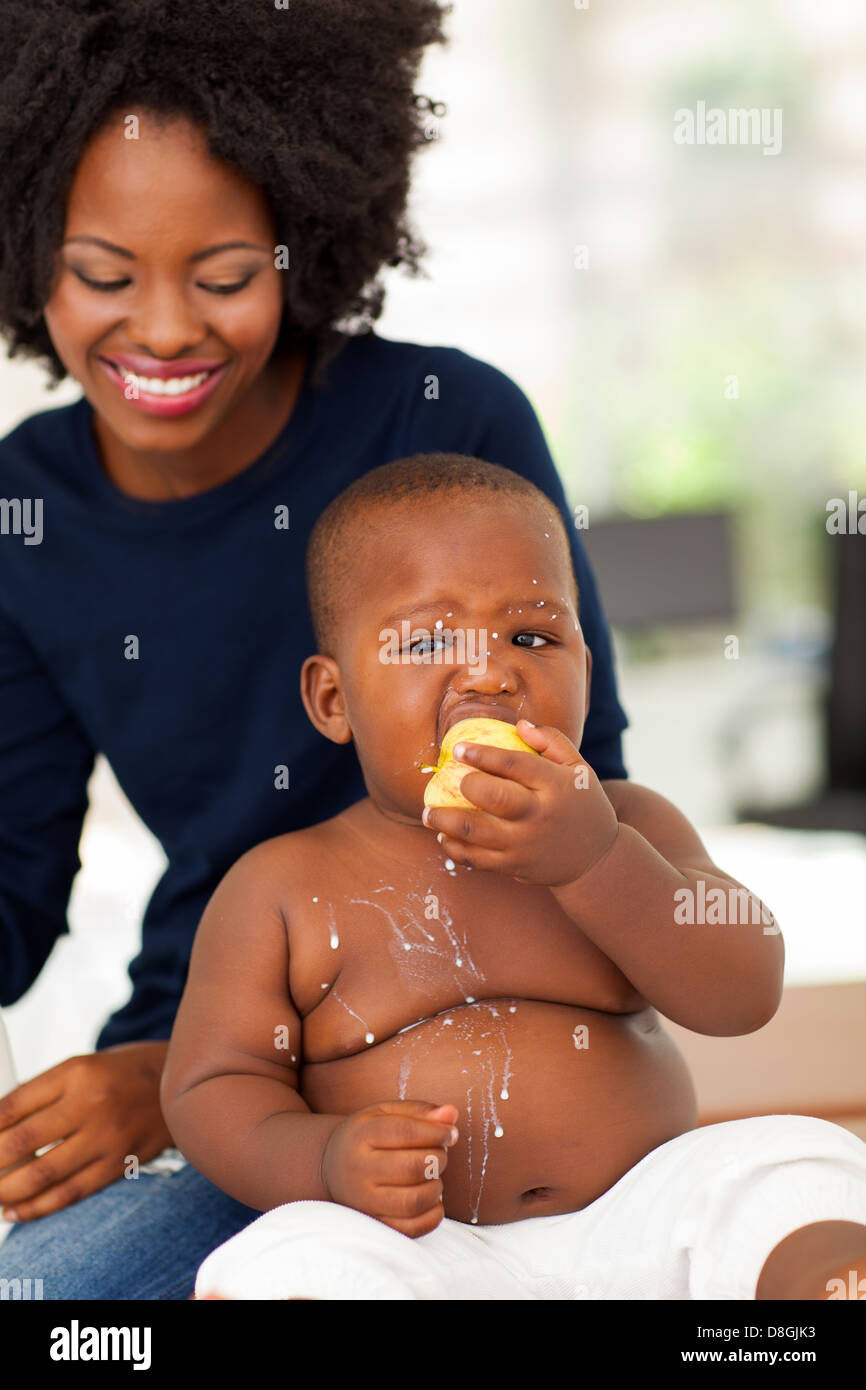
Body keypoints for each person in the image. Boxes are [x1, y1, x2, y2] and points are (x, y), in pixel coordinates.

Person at [0, 2, 629, 1298]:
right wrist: (176, 1072)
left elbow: (585, 789)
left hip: (455, 1049)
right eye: (104, 275)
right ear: (27, 262)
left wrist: (181, 1083)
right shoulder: (26, 512)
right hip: (200, 1046)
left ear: (303, 245)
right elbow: (12, 883)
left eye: (223, 275)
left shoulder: (442, 423)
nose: (164, 329)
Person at [163, 454, 866, 1301]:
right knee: (287, 1259)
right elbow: (213, 1084)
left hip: (643, 1223)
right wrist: (320, 1157)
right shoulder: (282, 887)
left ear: (587, 670)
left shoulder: (628, 825)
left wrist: (598, 863)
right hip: (423, 1254)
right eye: (428, 641)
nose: (492, 672)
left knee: (794, 1167)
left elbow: (743, 991)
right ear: (333, 700)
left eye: (532, 637)